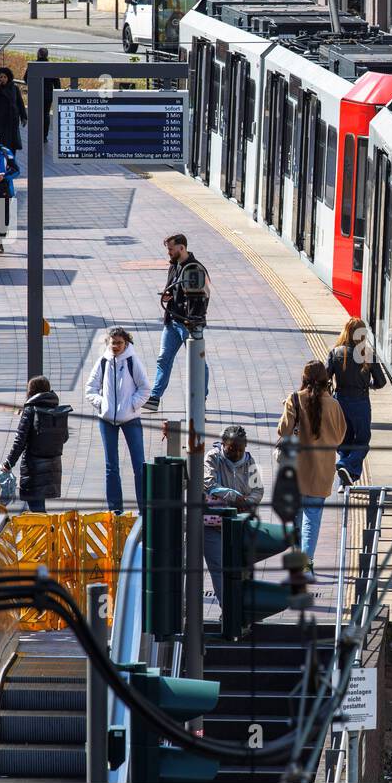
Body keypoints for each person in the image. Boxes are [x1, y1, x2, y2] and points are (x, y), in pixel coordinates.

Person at [277, 361, 346, 573]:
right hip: (322, 472)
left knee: (296, 519)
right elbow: (340, 436)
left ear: (304, 379)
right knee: (312, 521)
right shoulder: (334, 405)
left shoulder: (295, 400)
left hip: (296, 471)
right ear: (326, 380)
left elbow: (283, 431)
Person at [85, 327, 152, 513]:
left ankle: (144, 510)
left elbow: (145, 388)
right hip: (107, 421)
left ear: (126, 343)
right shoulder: (103, 361)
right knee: (111, 467)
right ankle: (116, 511)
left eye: (119, 343)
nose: (116, 346)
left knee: (139, 465)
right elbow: (90, 389)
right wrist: (102, 404)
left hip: (130, 419)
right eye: (113, 342)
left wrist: (131, 405)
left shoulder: (132, 361)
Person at [202, 425, 264, 601]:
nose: (237, 453)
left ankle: (242, 611)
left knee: (242, 569)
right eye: (232, 449)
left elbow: (258, 490)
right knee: (219, 569)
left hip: (240, 524)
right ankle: (228, 610)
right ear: (223, 444)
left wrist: (247, 502)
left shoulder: (249, 462)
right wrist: (235, 497)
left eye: (240, 449)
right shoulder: (212, 458)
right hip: (213, 525)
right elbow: (209, 484)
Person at [145, 233, 204, 413]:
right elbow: (172, 287)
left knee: (198, 362)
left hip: (188, 324)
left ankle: (202, 397)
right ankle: (155, 398)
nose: (168, 252)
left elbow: (200, 297)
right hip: (172, 321)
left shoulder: (194, 268)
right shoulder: (174, 266)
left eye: (171, 249)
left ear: (181, 247)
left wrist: (192, 319)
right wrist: (167, 295)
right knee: (163, 359)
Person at [325, 317, 385, 486]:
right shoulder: (367, 354)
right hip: (361, 403)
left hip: (340, 402)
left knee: (344, 440)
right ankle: (346, 466)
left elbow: (324, 377)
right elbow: (381, 382)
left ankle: (345, 482)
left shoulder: (335, 352)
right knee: (362, 442)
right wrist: (369, 385)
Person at [0, 376, 72, 513]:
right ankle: (48, 532)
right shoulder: (57, 411)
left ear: (31, 392)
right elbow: (64, 437)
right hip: (53, 467)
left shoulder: (30, 411)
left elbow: (19, 441)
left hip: (33, 468)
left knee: (37, 511)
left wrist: (8, 464)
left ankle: (50, 533)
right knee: (39, 508)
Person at [0, 65, 27, 153]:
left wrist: (23, 116)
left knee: (12, 145)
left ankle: (11, 162)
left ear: (8, 77)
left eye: (5, 77)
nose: (3, 79)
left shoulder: (14, 88)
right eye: (1, 77)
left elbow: (20, 103)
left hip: (12, 121)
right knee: (0, 144)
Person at [37, 47, 62, 142]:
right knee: (46, 114)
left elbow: (26, 79)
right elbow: (57, 83)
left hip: (36, 94)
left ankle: (36, 134)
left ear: (38, 54)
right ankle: (44, 136)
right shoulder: (51, 66)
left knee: (36, 114)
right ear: (47, 55)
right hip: (48, 95)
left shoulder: (34, 65)